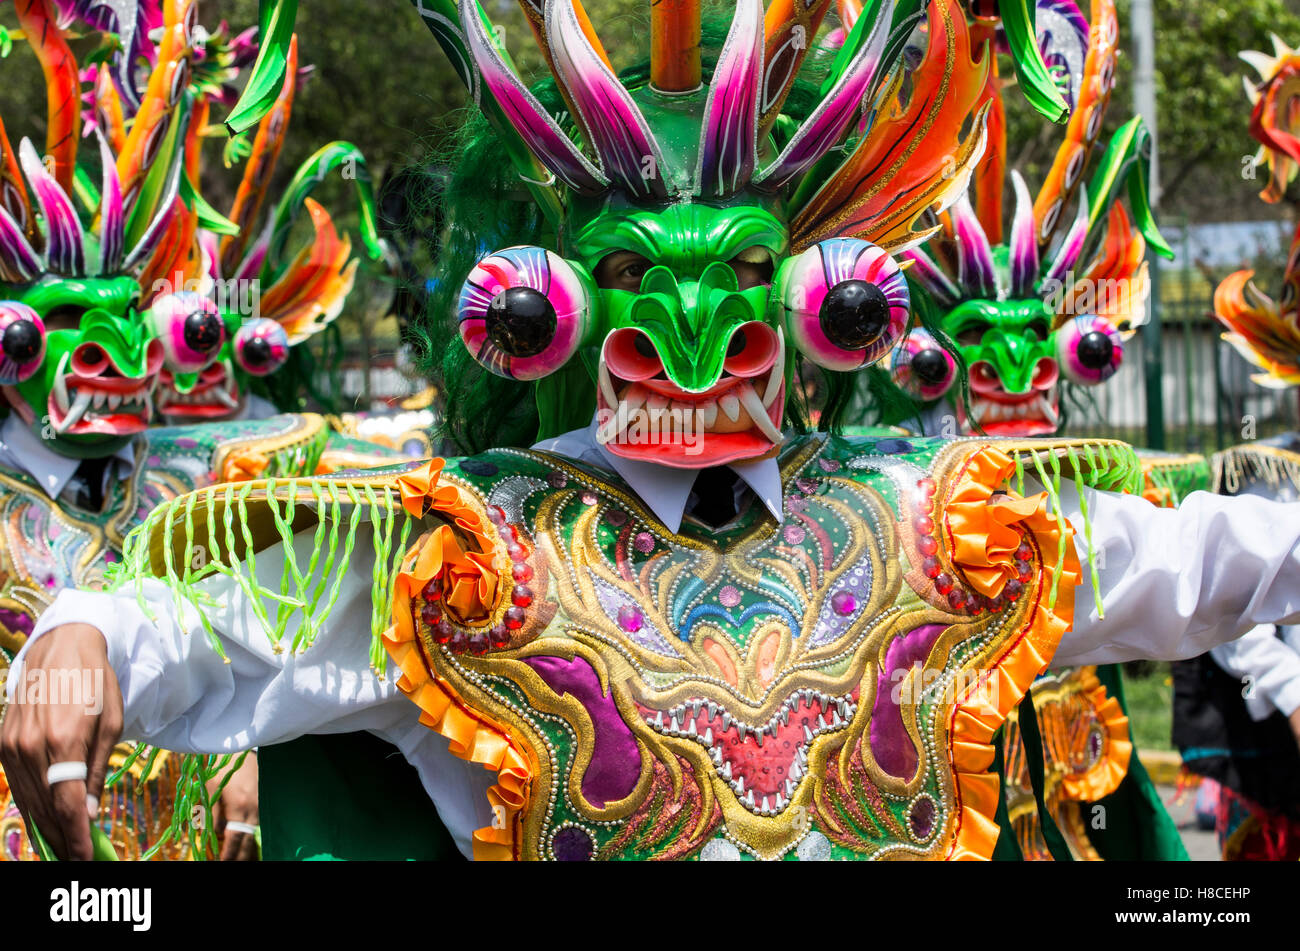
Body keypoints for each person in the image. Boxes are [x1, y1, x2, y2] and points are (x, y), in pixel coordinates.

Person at [6, 0, 1300, 863]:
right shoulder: (472, 552)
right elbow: (224, 630)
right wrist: (87, 636)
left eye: (736, 276)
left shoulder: (935, 521)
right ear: (557, 306)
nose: (691, 322)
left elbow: (1216, 559)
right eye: (640, 273)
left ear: (813, 300)